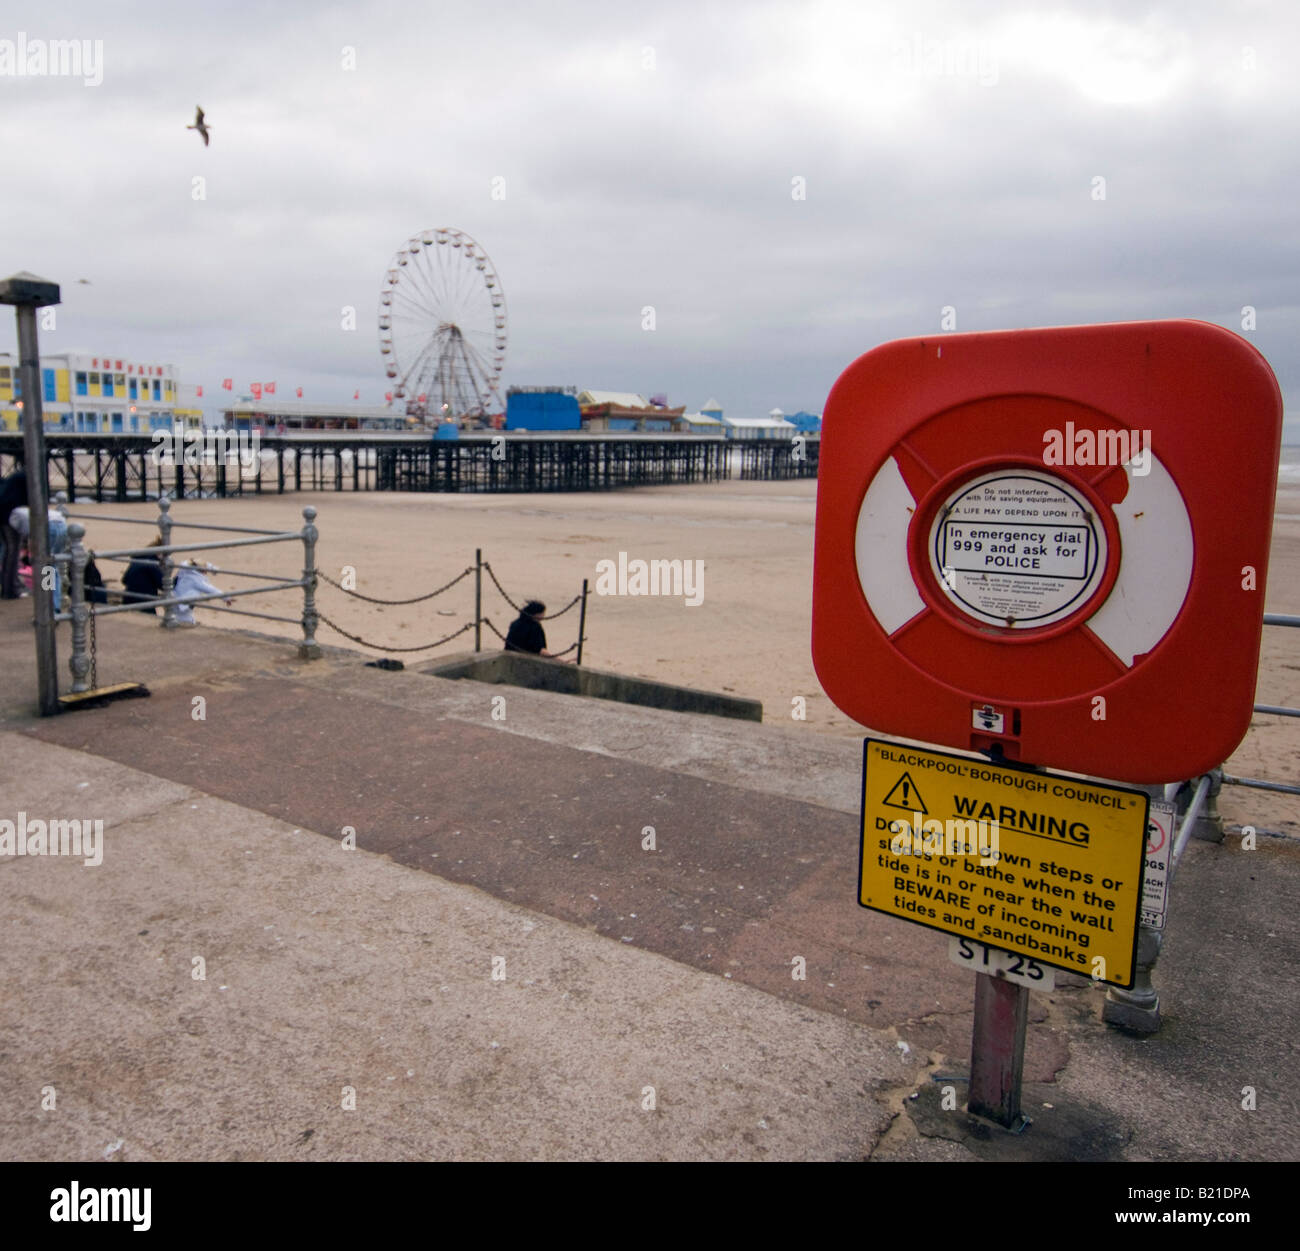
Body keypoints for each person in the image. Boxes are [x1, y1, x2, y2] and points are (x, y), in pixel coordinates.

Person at [172, 560, 233, 625]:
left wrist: (212, 568)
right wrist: (226, 598)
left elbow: (194, 562)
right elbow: (213, 590)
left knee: (175, 617)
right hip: (181, 606)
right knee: (186, 620)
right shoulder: (197, 580)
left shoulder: (185, 569)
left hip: (173, 598)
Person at [504, 600, 568, 660]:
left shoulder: (516, 623)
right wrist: (561, 660)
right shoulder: (534, 627)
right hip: (528, 660)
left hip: (510, 656)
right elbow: (540, 650)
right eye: (543, 613)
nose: (544, 615)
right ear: (537, 614)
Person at [0, 456, 27, 599]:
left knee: (9, 552)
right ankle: (49, 597)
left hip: (5, 517)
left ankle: (7, 588)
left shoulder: (15, 478)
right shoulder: (25, 478)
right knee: (14, 552)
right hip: (13, 518)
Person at [122, 536, 166, 612]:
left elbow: (124, 580)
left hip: (128, 599)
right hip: (144, 603)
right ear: (159, 553)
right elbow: (164, 585)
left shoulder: (137, 560)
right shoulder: (152, 563)